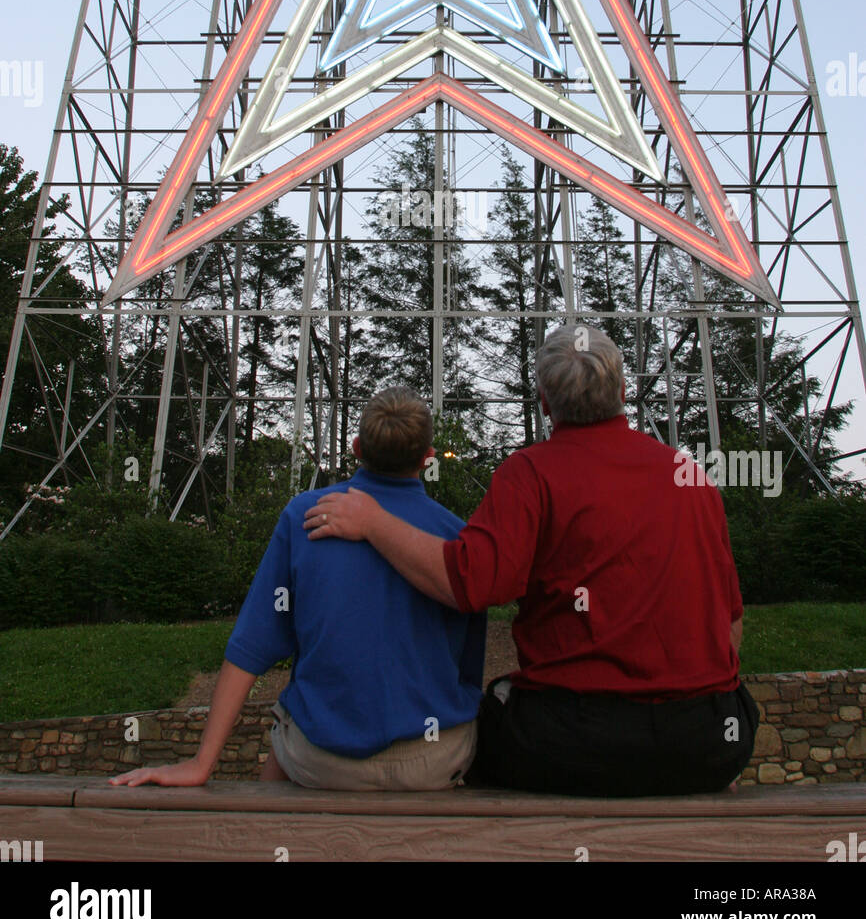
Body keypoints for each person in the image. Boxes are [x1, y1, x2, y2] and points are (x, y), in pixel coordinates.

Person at [305, 325, 758, 797]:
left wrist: (374, 521)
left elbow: (469, 583)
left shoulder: (532, 474)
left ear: (544, 402)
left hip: (574, 741)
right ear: (623, 392)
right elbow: (731, 626)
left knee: (473, 735)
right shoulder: (691, 478)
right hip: (710, 739)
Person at [110, 385, 485, 791]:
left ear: (357, 448)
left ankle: (263, 835)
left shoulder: (305, 517)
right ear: (428, 458)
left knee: (297, 720)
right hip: (433, 759)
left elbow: (251, 647)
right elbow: (468, 668)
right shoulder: (458, 538)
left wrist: (202, 762)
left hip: (325, 761)